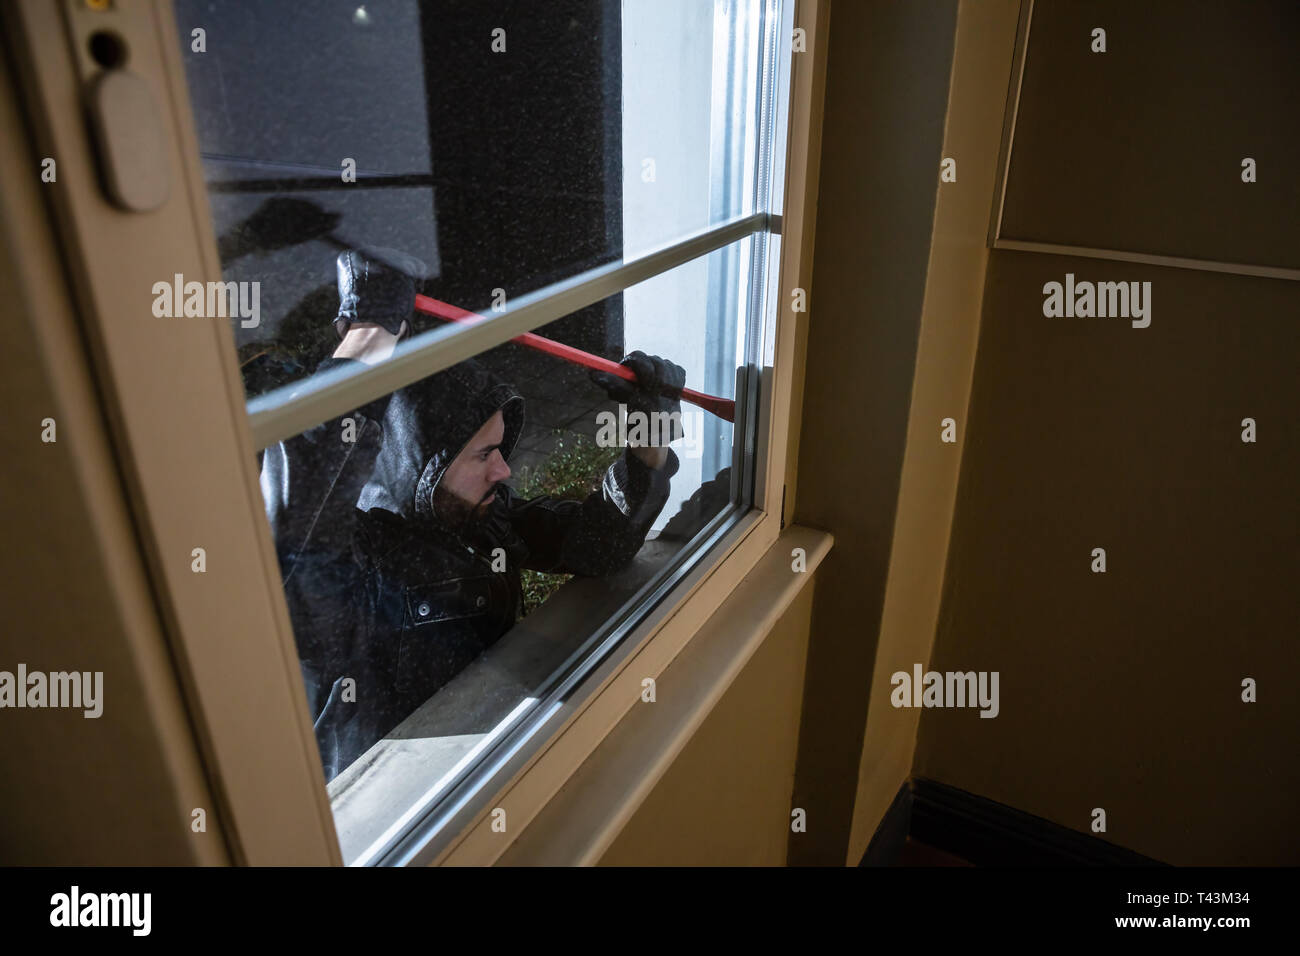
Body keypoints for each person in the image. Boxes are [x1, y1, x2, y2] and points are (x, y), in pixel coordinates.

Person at [261, 248, 684, 781]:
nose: (505, 472)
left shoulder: (479, 519)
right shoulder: (353, 569)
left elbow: (598, 546)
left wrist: (650, 441)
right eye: (484, 455)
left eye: (500, 449)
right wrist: (369, 338)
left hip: (502, 769)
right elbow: (288, 527)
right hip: (410, 823)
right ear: (420, 467)